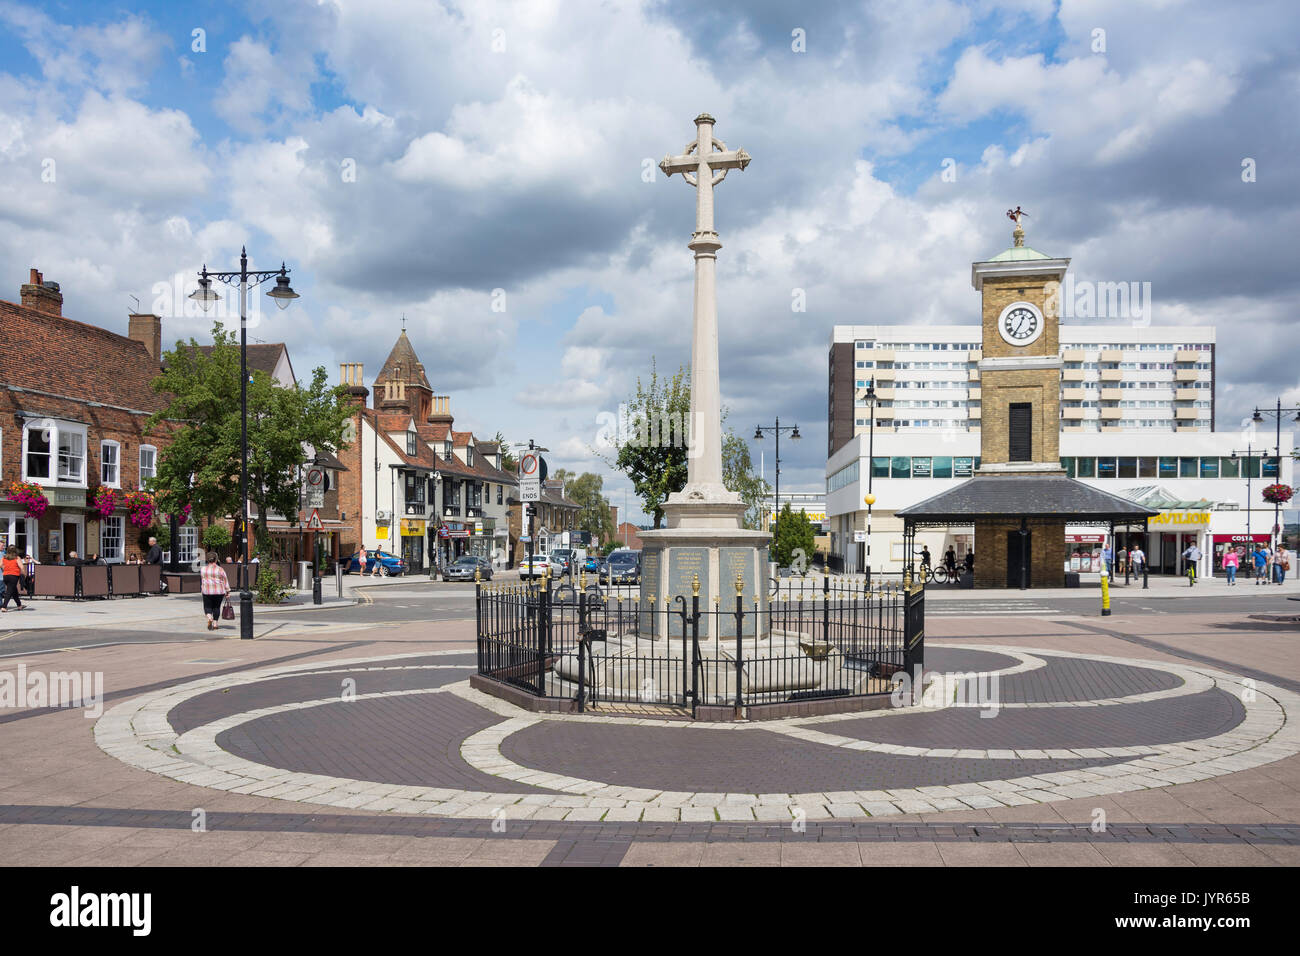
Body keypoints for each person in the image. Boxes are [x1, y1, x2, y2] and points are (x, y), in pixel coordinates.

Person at [199, 551, 231, 631]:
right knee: (216, 607)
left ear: (207, 559)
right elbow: (225, 580)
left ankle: (209, 617)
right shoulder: (220, 569)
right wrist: (227, 591)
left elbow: (202, 579)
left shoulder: (203, 569)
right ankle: (215, 623)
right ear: (216, 560)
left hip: (207, 591)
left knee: (207, 606)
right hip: (219, 591)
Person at [1, 548, 27, 612]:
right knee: (9, 591)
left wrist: (5, 569)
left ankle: (19, 605)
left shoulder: (4, 557)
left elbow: (1, 564)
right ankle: (4, 607)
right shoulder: (17, 558)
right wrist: (24, 574)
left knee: (13, 590)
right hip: (14, 575)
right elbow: (21, 567)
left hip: (6, 575)